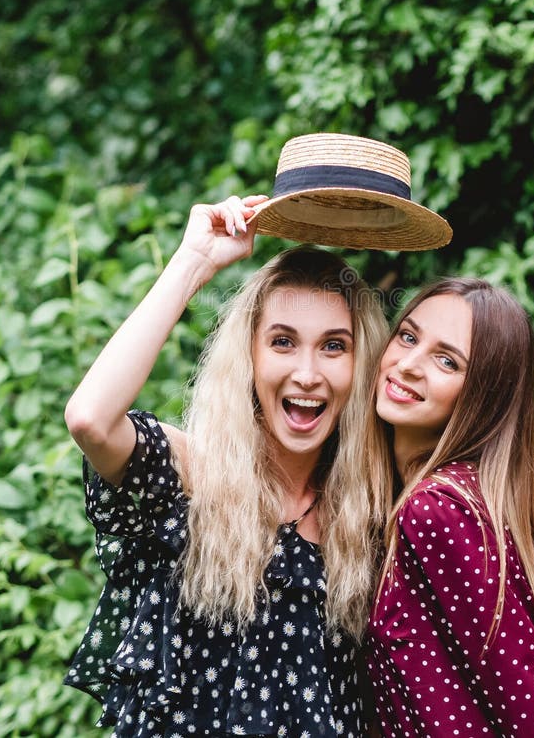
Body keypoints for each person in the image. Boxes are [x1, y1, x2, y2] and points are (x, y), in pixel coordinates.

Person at [63, 194, 391, 738]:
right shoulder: (194, 476)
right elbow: (91, 419)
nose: (307, 373)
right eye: (283, 342)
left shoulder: (370, 515)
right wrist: (194, 260)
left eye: (334, 346)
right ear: (250, 357)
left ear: (360, 367)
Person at [365, 277, 534, 737]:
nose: (409, 365)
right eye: (408, 336)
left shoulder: (436, 511)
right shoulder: (448, 499)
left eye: (447, 360)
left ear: (483, 396)